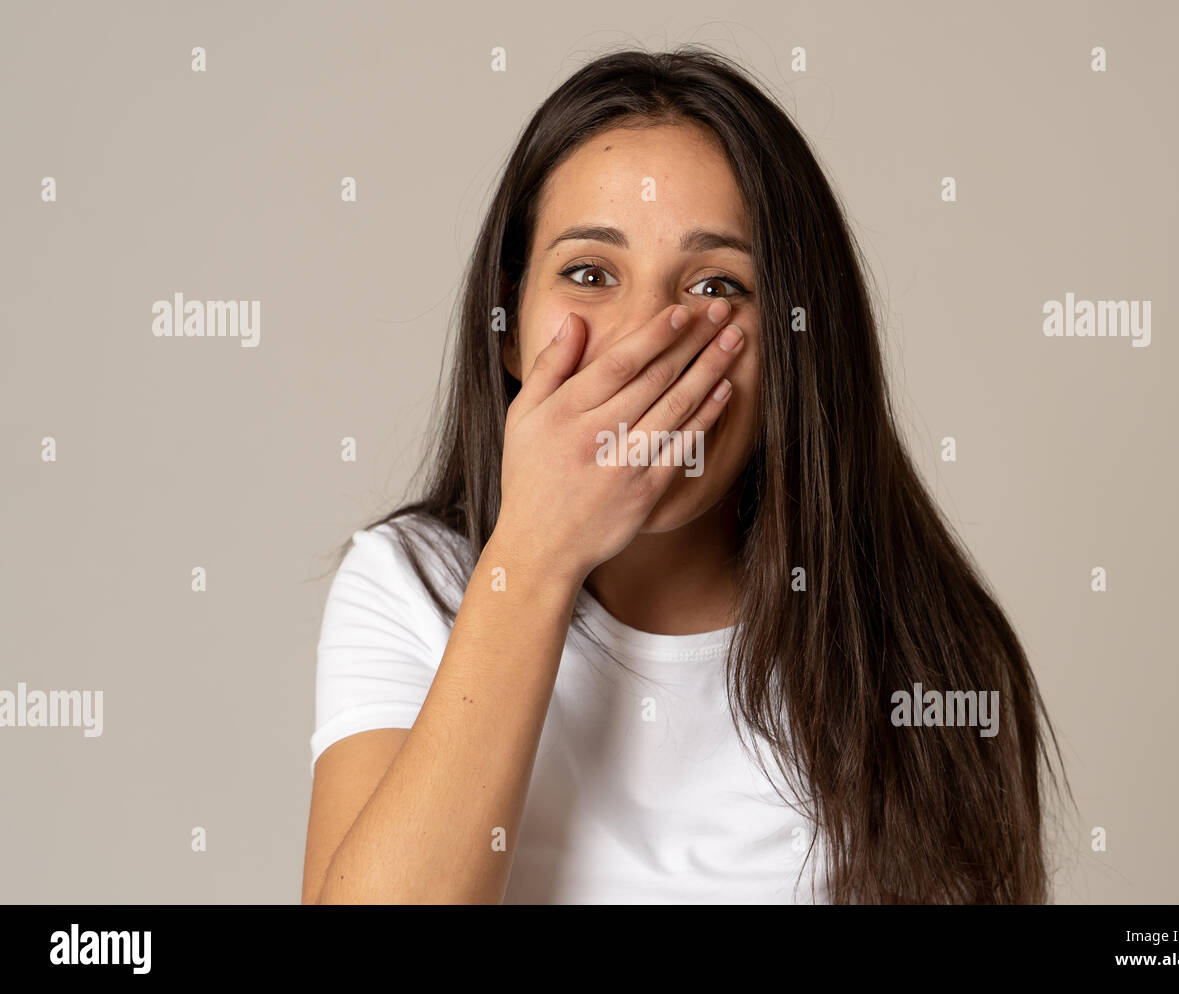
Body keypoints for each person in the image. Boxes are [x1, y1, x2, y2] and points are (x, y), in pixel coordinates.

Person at [301, 46, 1069, 904]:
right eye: (590, 273)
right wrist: (538, 552)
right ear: (510, 326)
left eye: (715, 284)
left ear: (790, 347)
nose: (648, 341)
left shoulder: (931, 655)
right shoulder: (408, 587)